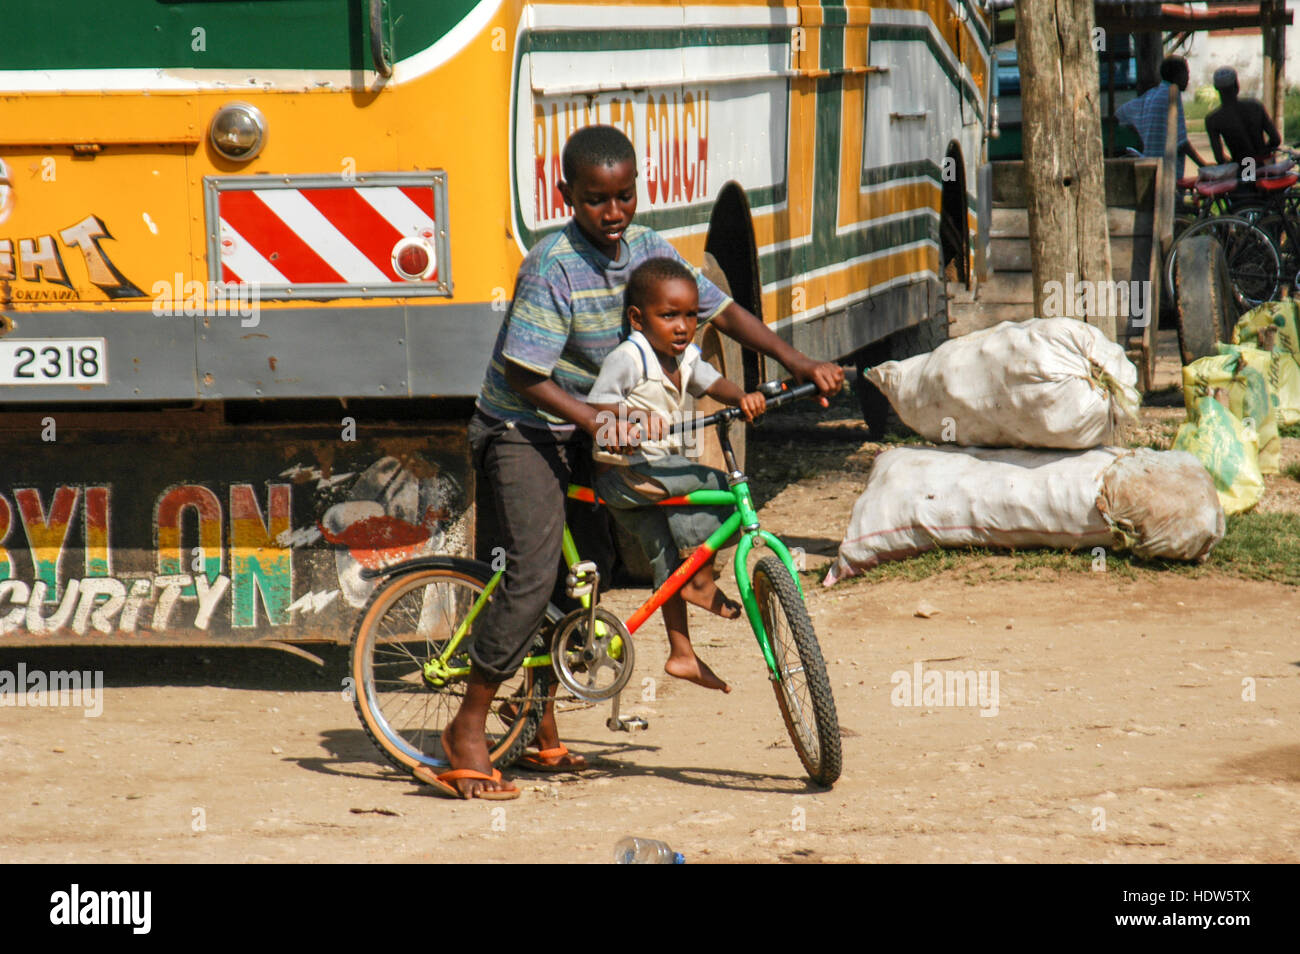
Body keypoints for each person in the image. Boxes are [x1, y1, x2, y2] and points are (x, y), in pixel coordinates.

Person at [419, 125, 844, 799]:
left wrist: (798, 362)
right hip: (525, 428)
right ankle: (466, 731)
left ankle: (535, 725)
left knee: (582, 582)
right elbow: (526, 375)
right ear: (567, 196)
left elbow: (722, 312)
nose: (612, 214)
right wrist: (602, 419)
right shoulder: (553, 266)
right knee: (531, 579)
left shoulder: (648, 248)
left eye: (623, 197)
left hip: (594, 426)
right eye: (595, 200)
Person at [588, 257, 767, 693]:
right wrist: (629, 417)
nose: (682, 326)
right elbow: (597, 405)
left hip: (650, 475)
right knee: (712, 483)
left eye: (690, 315)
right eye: (668, 316)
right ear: (637, 318)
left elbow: (710, 382)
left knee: (667, 563)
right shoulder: (629, 357)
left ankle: (682, 653)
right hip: (626, 472)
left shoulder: (682, 356)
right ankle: (700, 578)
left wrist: (742, 397)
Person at [1115, 55, 1208, 174]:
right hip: (1167, 170)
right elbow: (1182, 142)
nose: (1188, 78)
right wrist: (1204, 165)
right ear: (1178, 75)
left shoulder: (1152, 94)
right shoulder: (1172, 94)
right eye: (1187, 73)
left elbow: (1120, 114)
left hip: (1149, 165)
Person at [1205, 66, 1281, 169]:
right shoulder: (1255, 106)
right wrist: (1262, 154)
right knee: (1270, 183)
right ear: (1237, 85)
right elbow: (1276, 139)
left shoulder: (1213, 119)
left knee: (1248, 183)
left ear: (1216, 88)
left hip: (1244, 169)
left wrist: (1234, 164)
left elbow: (1219, 158)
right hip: (1266, 167)